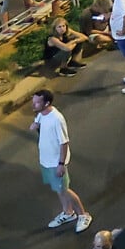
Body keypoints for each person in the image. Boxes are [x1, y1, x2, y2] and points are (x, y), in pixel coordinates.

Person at [29, 91, 90, 233]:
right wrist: (35, 124)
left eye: (37, 102)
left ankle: (83, 215)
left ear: (47, 103)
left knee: (64, 189)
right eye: (34, 101)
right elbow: (38, 120)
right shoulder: (41, 114)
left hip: (56, 162)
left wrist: (61, 164)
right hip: (46, 160)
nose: (34, 104)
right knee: (58, 188)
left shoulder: (57, 119)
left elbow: (64, 143)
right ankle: (68, 212)